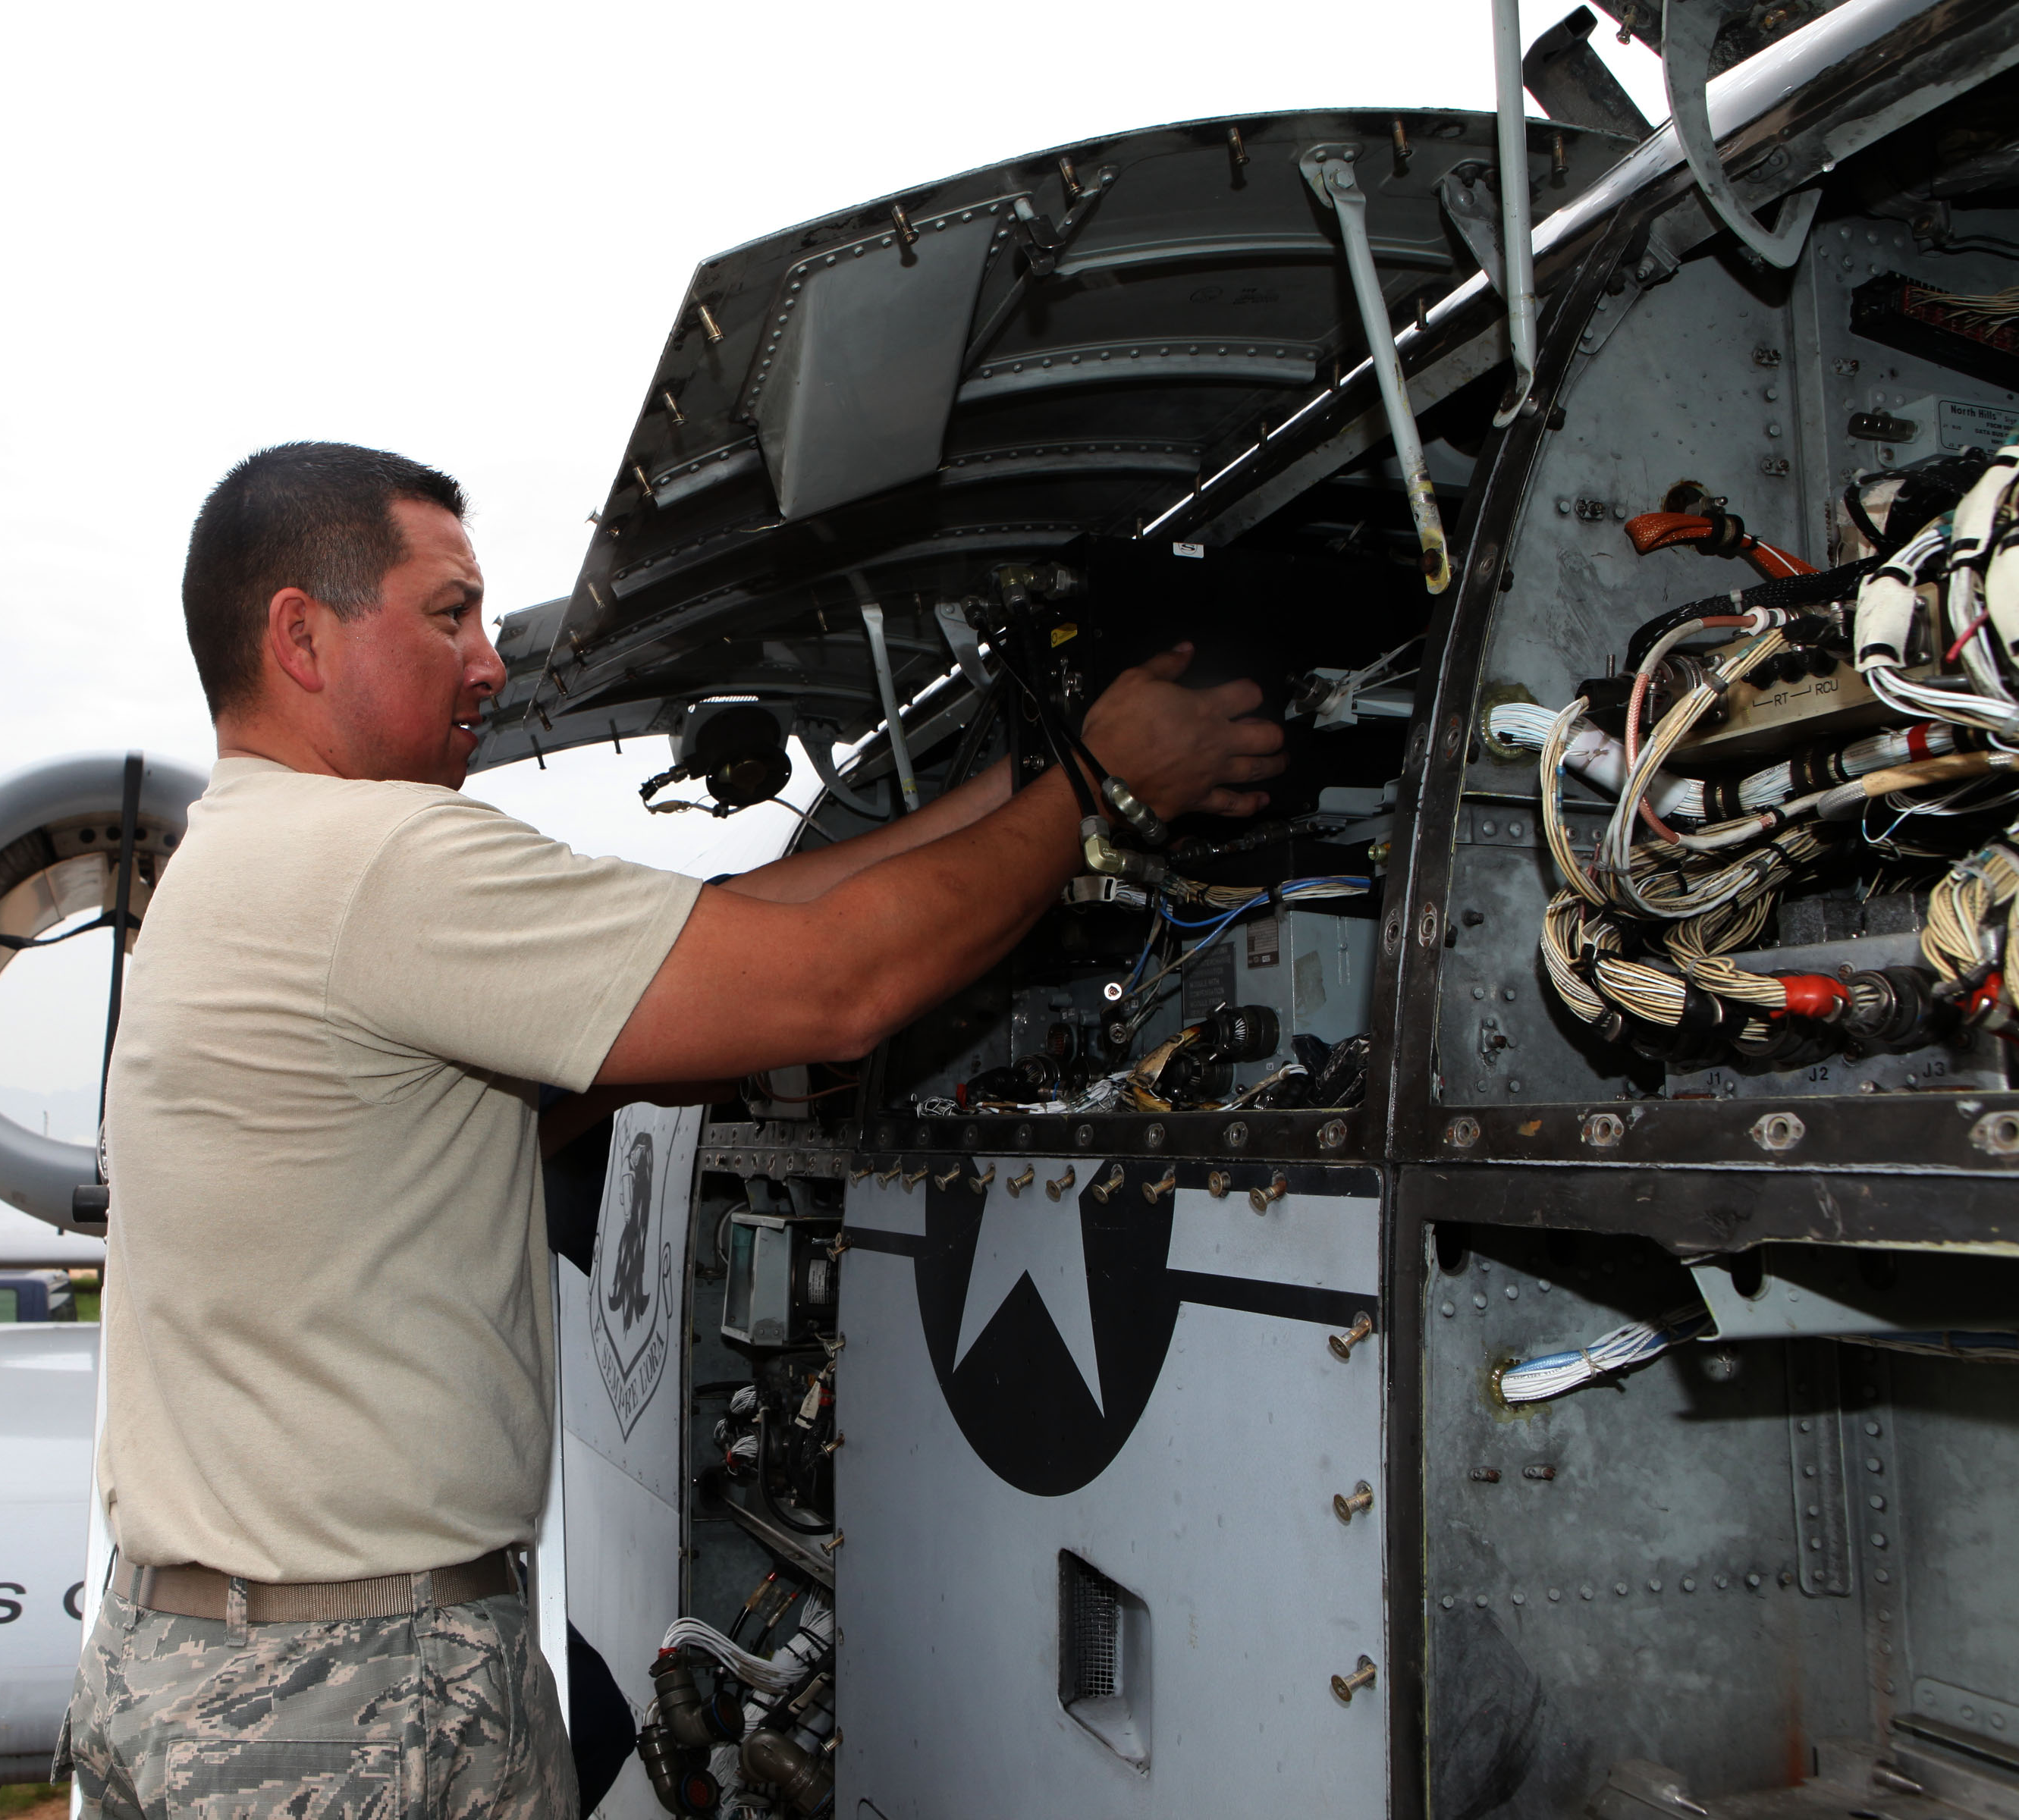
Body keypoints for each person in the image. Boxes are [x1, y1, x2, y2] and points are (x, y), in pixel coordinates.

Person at [66, 442, 1284, 1818]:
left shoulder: (252, 859)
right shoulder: (379, 864)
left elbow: (745, 922)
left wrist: (1022, 782)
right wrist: (1099, 789)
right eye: (448, 612)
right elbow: (834, 985)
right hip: (345, 1708)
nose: (490, 663)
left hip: (237, 1668)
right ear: (300, 633)